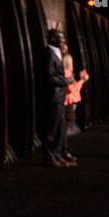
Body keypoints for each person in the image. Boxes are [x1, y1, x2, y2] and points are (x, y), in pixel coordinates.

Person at [43, 27, 75, 168]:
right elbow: (49, 77)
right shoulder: (49, 54)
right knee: (52, 129)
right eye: (60, 38)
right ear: (53, 39)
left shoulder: (56, 53)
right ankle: (50, 158)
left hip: (59, 97)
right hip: (53, 97)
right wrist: (66, 81)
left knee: (59, 129)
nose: (63, 41)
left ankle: (57, 155)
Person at [60, 39, 88, 164]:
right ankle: (63, 150)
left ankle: (64, 148)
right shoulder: (66, 73)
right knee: (65, 127)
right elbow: (72, 88)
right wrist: (83, 80)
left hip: (68, 101)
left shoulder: (68, 72)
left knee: (65, 127)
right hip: (67, 102)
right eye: (71, 62)